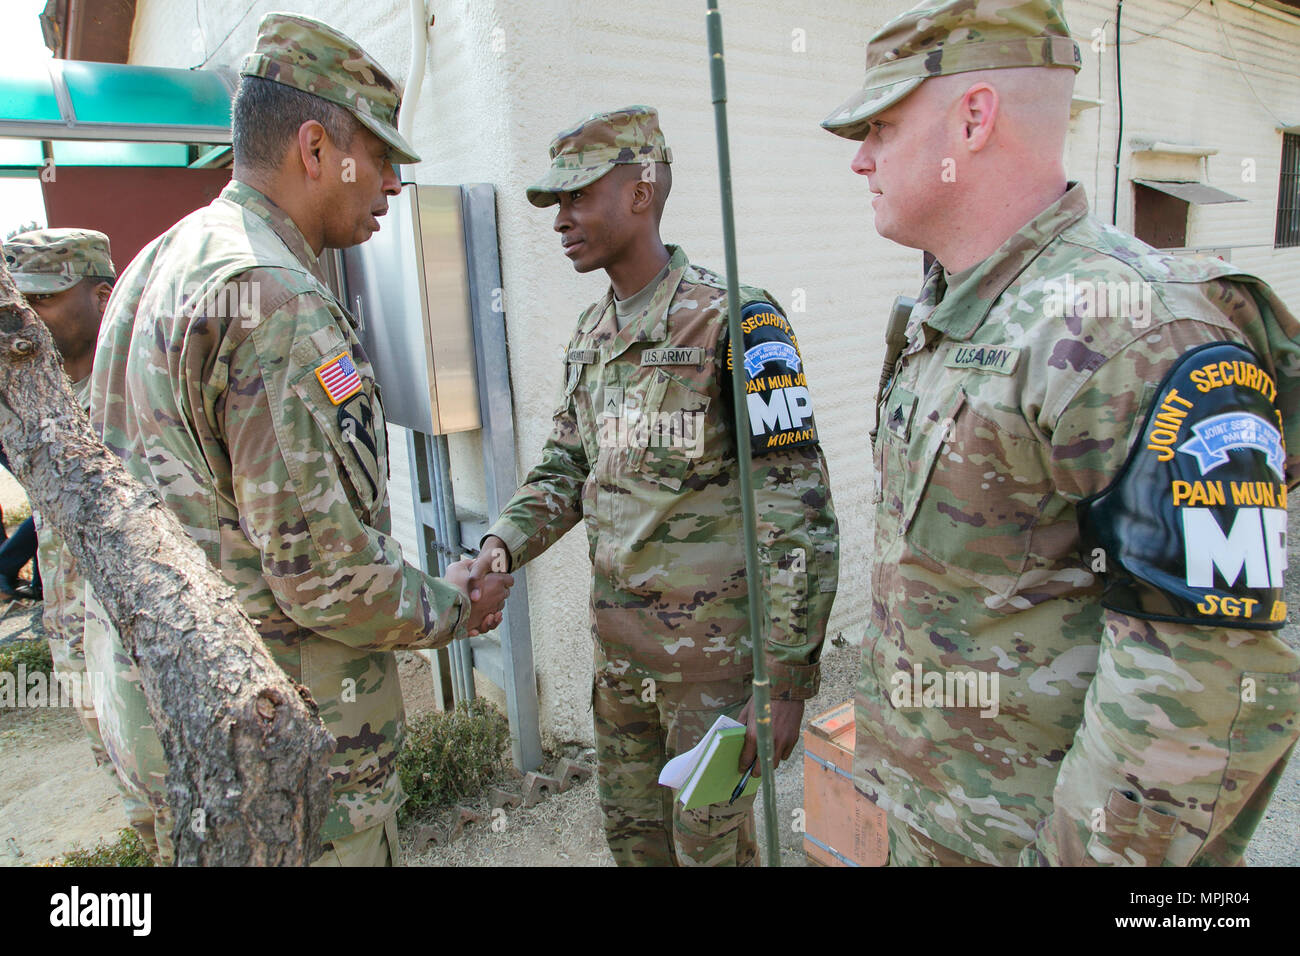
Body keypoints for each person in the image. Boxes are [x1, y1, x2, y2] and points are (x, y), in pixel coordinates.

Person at [821, 0, 1300, 866]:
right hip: (938, 820)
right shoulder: (954, 315)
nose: (860, 159)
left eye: (882, 126)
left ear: (973, 119)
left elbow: (1199, 682)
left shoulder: (1131, 332)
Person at [61, 13, 512, 866]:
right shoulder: (276, 302)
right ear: (315, 148)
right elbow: (326, 580)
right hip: (286, 770)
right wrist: (457, 607)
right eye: (379, 158)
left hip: (178, 734)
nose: (391, 185)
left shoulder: (159, 262)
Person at [468, 106, 840, 866]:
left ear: (641, 192)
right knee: (636, 849)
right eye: (555, 204)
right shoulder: (590, 337)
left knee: (712, 855)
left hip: (713, 681)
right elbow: (564, 469)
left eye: (577, 197)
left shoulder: (737, 324)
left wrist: (787, 680)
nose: (561, 219)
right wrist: (500, 546)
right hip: (620, 671)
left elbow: (798, 510)